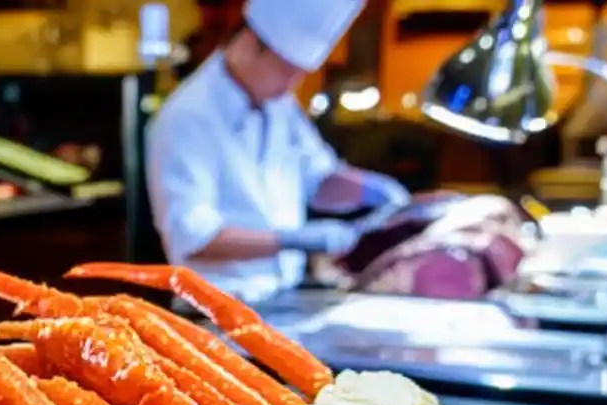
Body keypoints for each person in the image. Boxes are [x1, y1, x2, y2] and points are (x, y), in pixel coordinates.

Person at [147, 0, 410, 301]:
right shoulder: (186, 116)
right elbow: (195, 237)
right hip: (214, 308)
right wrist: (294, 239)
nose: (291, 85)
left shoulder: (280, 105)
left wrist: (370, 190)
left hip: (282, 297)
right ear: (249, 45)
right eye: (286, 70)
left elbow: (319, 180)